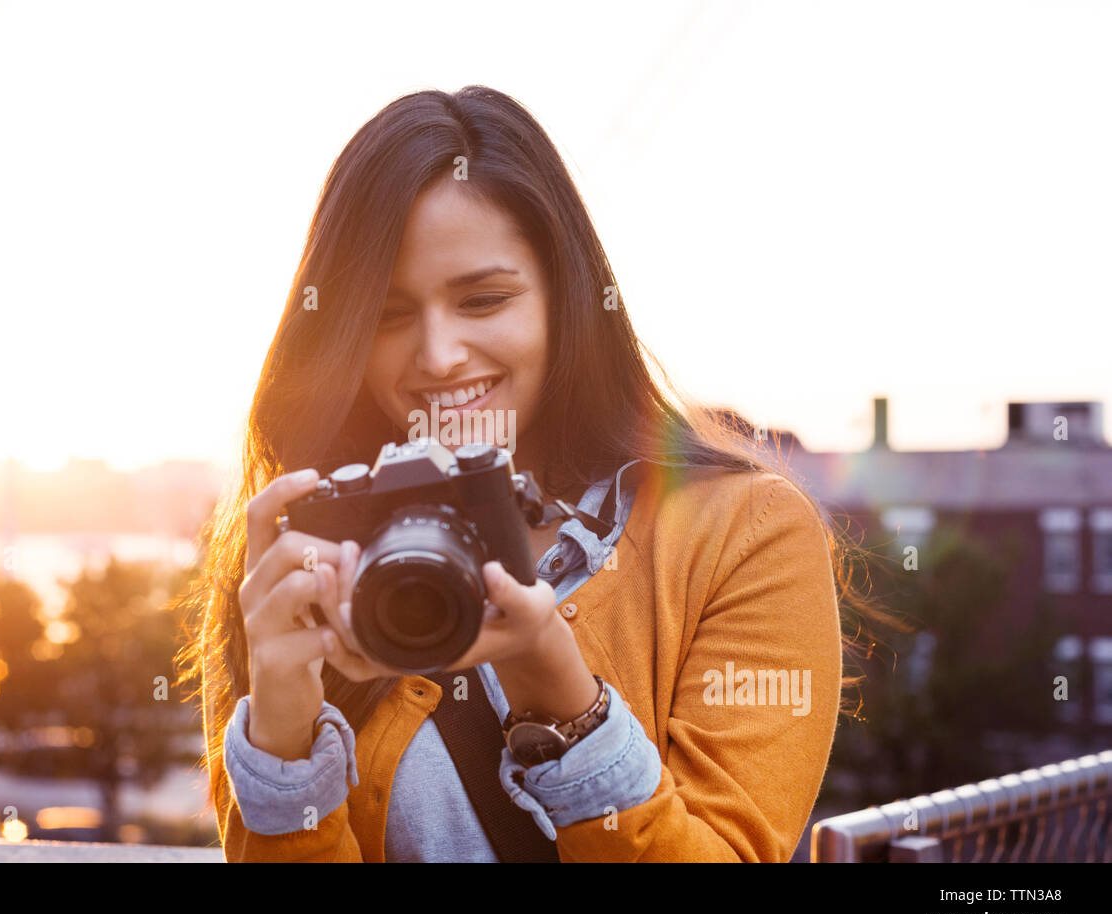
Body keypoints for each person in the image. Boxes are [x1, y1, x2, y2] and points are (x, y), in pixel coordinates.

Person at [178, 85, 893, 862]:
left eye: (483, 299)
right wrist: (280, 740)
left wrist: (557, 686)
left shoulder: (745, 536)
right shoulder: (300, 553)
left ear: (570, 300)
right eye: (387, 315)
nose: (438, 353)